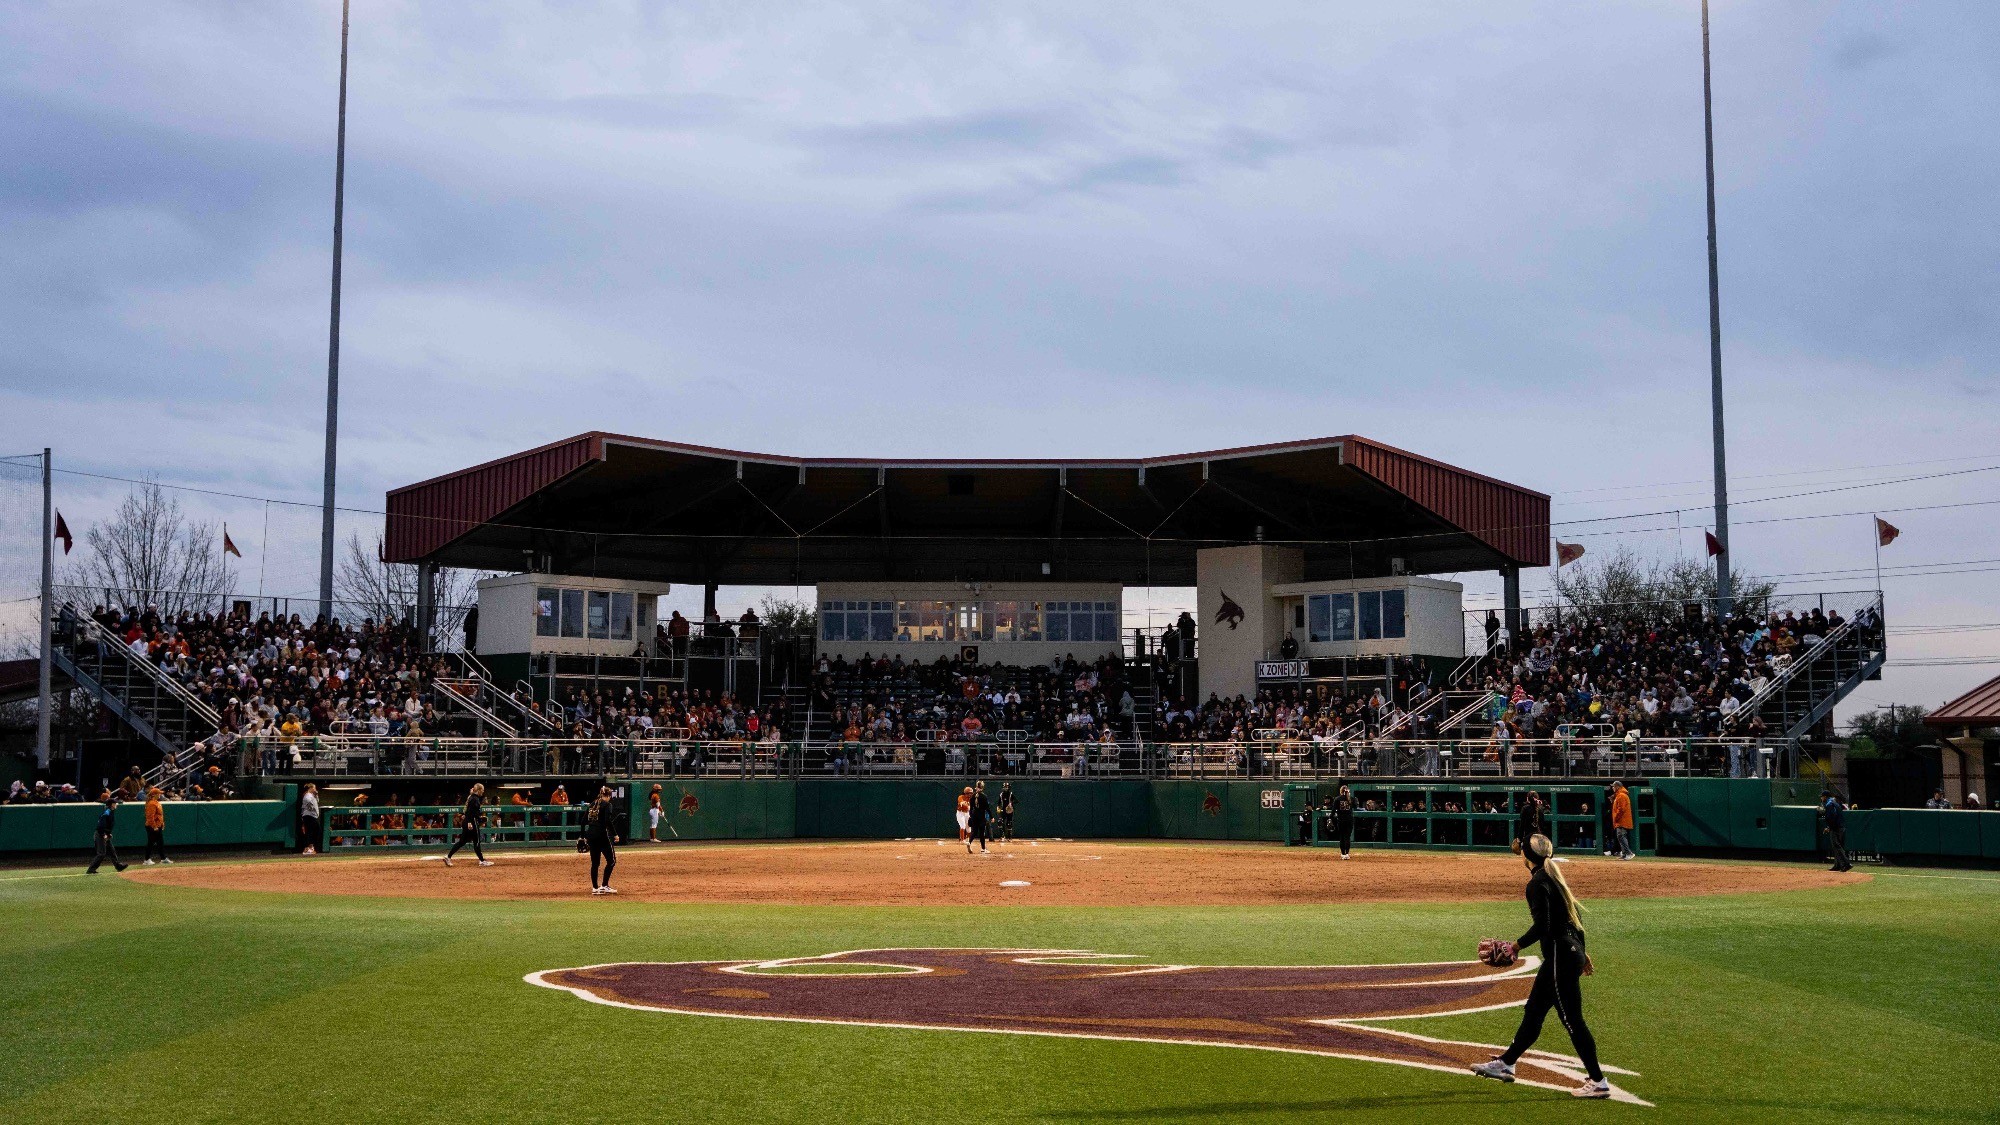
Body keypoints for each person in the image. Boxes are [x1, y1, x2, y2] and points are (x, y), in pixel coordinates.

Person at [1471, 834, 1612, 1099]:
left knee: (1572, 1020)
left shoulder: (1537, 883)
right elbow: (1575, 919)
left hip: (1561, 956)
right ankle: (1507, 1063)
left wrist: (1515, 946)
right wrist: (1584, 952)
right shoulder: (1555, 879)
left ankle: (1598, 1080)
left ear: (1525, 856)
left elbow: (1543, 926)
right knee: (1534, 1010)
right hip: (1566, 954)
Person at [444, 783, 491, 867]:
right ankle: (482, 861)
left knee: (462, 842)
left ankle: (448, 857)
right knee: (476, 842)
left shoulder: (472, 798)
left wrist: (479, 819)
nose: (483, 792)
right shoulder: (475, 799)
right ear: (479, 790)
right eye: (482, 790)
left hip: (468, 821)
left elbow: (469, 811)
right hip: (471, 822)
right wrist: (471, 822)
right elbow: (470, 812)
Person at [585, 785, 619, 894]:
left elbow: (583, 821)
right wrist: (615, 834)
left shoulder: (592, 804)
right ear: (608, 795)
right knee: (611, 861)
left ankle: (595, 888)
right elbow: (607, 821)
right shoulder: (607, 805)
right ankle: (604, 885)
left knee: (595, 863)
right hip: (602, 835)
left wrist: (582, 835)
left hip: (590, 835)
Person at [86, 795, 127, 874]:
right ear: (112, 804)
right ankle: (91, 869)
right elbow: (101, 826)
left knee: (112, 851)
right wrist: (103, 834)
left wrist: (108, 834)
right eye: (115, 803)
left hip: (105, 834)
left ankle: (118, 866)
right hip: (100, 835)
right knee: (101, 853)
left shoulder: (110, 812)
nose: (116, 805)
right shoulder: (107, 812)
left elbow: (107, 825)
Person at [1821, 790, 1851, 872]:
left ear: (1825, 797)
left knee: (1836, 846)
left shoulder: (1829, 804)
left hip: (1836, 828)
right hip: (1841, 826)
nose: (1821, 798)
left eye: (1822, 796)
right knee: (1838, 846)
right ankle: (1837, 865)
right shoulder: (1835, 802)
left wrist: (1829, 827)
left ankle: (1846, 863)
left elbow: (1832, 817)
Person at [141, 787, 171, 866]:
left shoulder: (156, 802)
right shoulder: (151, 803)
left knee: (160, 842)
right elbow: (150, 817)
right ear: (155, 794)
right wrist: (154, 826)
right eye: (159, 793)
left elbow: (159, 815)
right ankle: (147, 859)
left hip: (157, 825)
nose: (160, 795)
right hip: (152, 826)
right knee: (151, 842)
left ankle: (163, 858)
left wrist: (162, 824)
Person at [1606, 782, 1635, 861]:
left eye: (1614, 786)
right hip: (1621, 820)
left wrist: (1616, 818)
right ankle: (1625, 854)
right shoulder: (1619, 795)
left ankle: (1629, 853)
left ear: (1618, 787)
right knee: (1620, 836)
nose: (1612, 788)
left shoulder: (1621, 795)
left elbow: (1621, 809)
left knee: (1621, 836)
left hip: (1622, 820)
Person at [1331, 784, 1355, 860]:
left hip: (1341, 820)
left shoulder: (1337, 799)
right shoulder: (1351, 798)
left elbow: (1333, 811)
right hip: (1349, 820)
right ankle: (1347, 853)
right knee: (1347, 837)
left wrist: (1330, 818)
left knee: (1342, 837)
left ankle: (1343, 854)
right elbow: (1356, 806)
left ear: (1341, 791)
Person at [968, 781, 991, 855]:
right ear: (982, 787)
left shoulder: (973, 796)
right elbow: (987, 808)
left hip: (974, 815)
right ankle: (983, 849)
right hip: (981, 816)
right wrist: (991, 816)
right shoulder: (984, 796)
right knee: (981, 833)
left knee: (974, 832)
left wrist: (971, 816)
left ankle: (969, 842)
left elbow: (971, 808)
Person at [300, 783, 322, 856]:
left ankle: (309, 848)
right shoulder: (307, 795)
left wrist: (316, 795)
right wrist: (311, 808)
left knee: (313, 831)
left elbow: (317, 801)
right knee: (313, 831)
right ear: (311, 788)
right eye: (314, 788)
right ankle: (309, 848)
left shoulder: (312, 795)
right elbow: (308, 802)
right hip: (309, 815)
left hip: (311, 815)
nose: (315, 789)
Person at [955, 786, 973, 851]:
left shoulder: (971, 799)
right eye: (969, 793)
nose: (970, 794)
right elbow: (962, 803)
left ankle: (968, 839)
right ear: (965, 793)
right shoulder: (961, 797)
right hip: (960, 813)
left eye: (971, 793)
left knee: (969, 827)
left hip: (967, 813)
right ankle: (962, 839)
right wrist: (968, 807)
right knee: (962, 825)